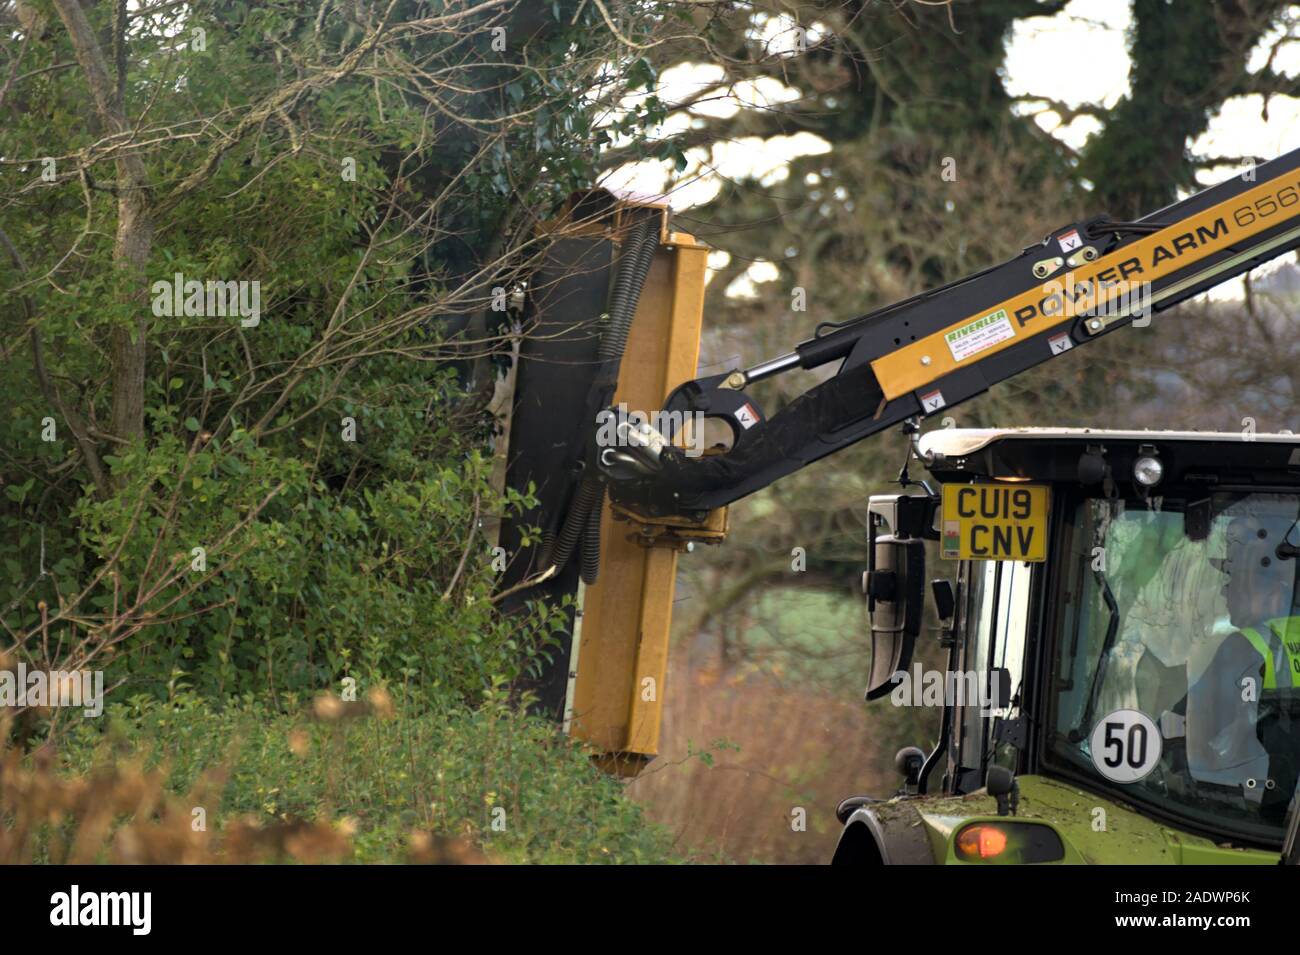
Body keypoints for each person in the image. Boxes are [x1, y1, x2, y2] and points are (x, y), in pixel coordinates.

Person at [1186, 511, 1300, 821]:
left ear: (1277, 593)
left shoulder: (1241, 648)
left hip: (1255, 809)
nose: (1225, 592)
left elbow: (1200, 743)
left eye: (1237, 581)